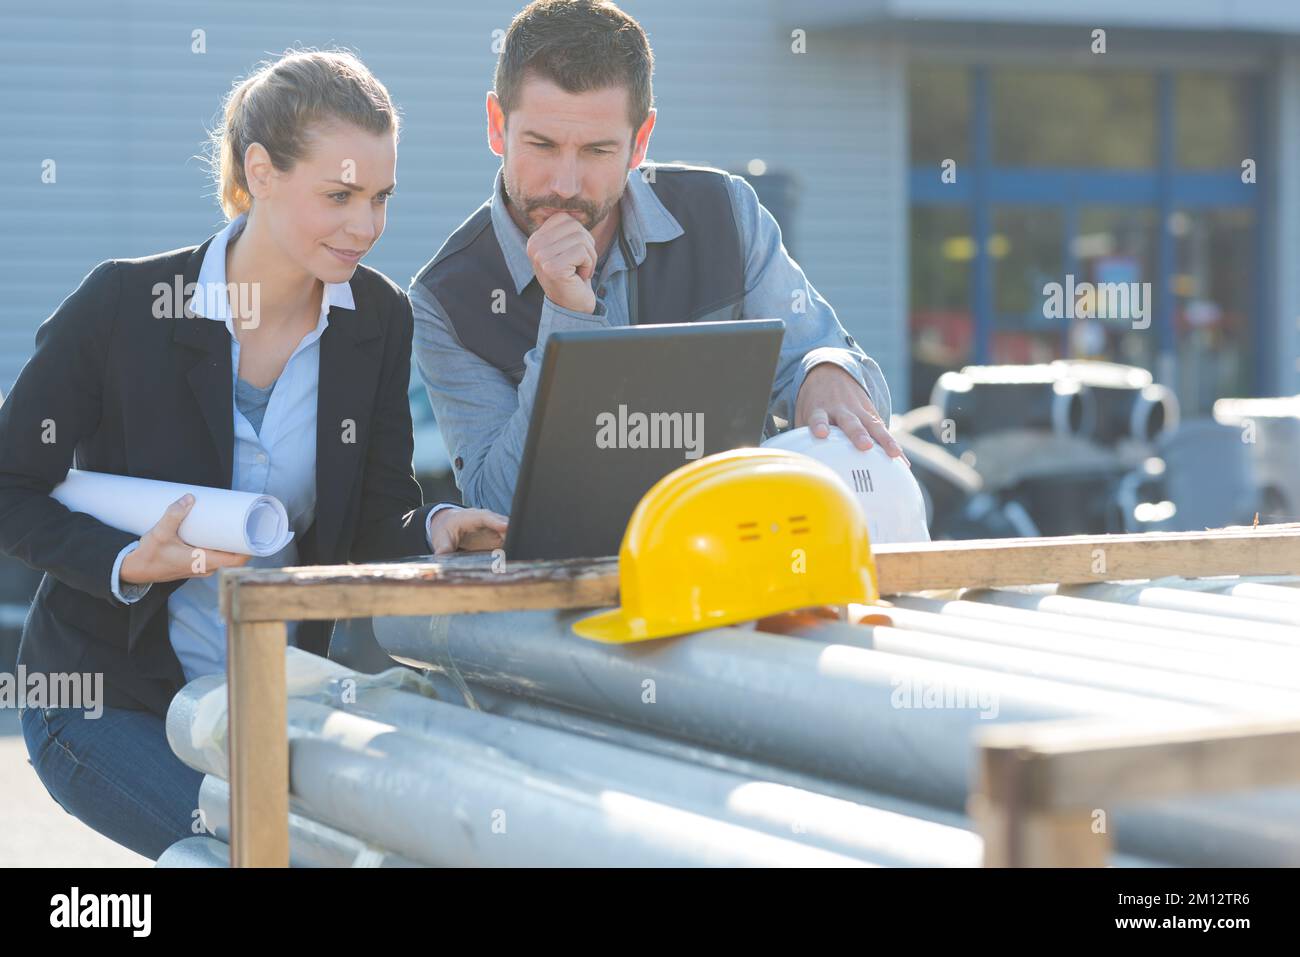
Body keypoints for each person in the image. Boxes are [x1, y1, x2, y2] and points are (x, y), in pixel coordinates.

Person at [0, 49, 505, 861]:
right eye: (338, 196)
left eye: (380, 198)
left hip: (265, 705)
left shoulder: (376, 318)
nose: (366, 226)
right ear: (261, 171)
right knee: (255, 854)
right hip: (104, 703)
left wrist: (435, 529)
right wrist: (130, 560)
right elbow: (9, 485)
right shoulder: (124, 307)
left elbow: (378, 517)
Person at [410, 0, 909, 518]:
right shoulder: (447, 299)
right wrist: (568, 318)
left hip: (739, 561)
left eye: (598, 151)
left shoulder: (725, 215)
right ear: (497, 125)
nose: (565, 183)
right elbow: (498, 504)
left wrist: (825, 369)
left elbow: (834, 376)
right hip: (564, 589)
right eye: (541, 144)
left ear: (640, 140)